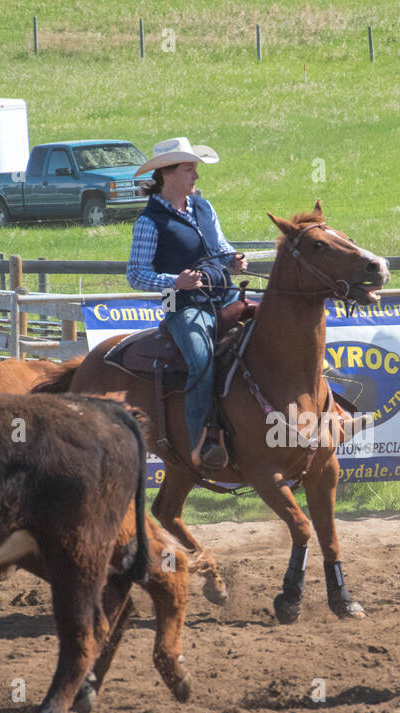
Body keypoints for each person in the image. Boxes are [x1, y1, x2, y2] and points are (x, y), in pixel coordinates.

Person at [127, 137, 248, 471]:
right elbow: (136, 275)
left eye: (195, 168)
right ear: (167, 174)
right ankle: (202, 441)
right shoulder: (149, 222)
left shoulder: (204, 208)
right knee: (202, 358)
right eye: (189, 169)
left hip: (223, 294)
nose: (196, 176)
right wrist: (173, 282)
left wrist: (233, 259)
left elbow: (220, 247)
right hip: (183, 305)